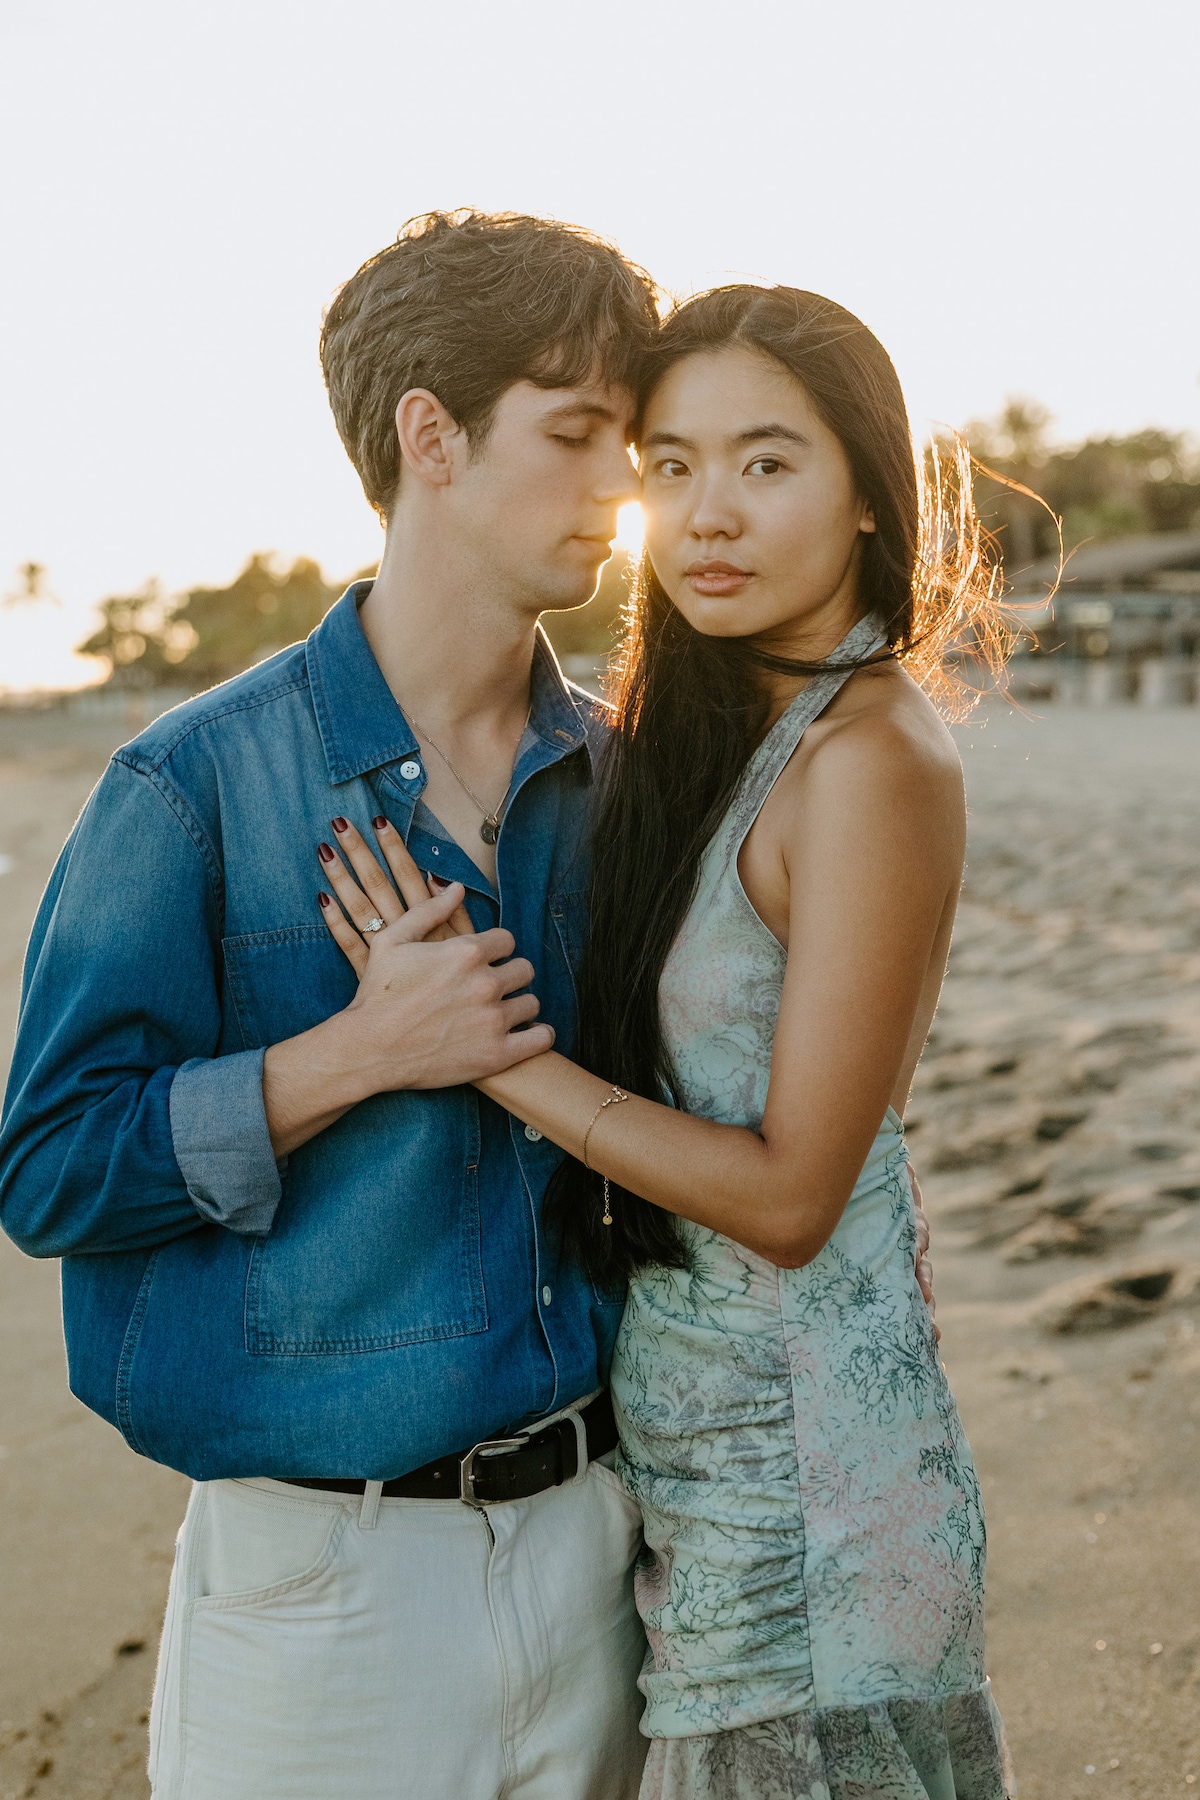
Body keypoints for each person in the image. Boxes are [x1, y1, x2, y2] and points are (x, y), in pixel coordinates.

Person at [317, 285, 1014, 1799]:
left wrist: (484, 1050)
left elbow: (790, 1195)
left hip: (814, 1504)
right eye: (672, 463)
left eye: (769, 464)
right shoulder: (725, 739)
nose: (707, 514)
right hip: (707, 1477)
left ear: (870, 498)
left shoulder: (870, 759)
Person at [0, 211, 661, 1798]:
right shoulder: (193, 788)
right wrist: (354, 1056)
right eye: (576, 436)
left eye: (631, 444)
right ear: (429, 437)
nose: (622, 486)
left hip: (603, 1555)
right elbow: (49, 1169)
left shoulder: (628, 782)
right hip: (323, 1596)